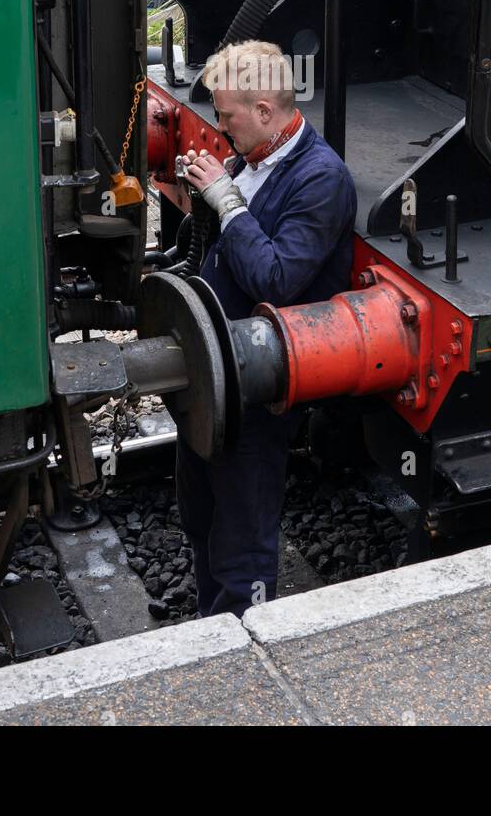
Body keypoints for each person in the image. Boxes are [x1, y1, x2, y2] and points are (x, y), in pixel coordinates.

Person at [176, 39, 357, 618]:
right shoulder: (251, 158)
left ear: (262, 110)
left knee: (243, 532)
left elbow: (277, 279)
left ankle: (242, 645)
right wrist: (205, 205)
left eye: (227, 115)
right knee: (201, 512)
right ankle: (211, 624)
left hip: (257, 389)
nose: (220, 126)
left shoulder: (321, 180)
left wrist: (227, 203)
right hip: (213, 371)